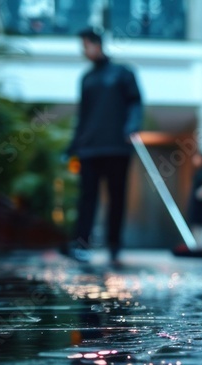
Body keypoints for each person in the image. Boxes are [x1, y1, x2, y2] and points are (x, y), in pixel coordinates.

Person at [67, 28, 143, 264]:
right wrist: (72, 146)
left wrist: (131, 126)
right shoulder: (86, 79)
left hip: (116, 147)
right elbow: (83, 115)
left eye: (85, 45)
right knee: (87, 197)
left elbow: (135, 102)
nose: (83, 51)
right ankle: (81, 245)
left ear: (97, 45)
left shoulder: (123, 73)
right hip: (90, 148)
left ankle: (114, 244)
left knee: (116, 197)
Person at [186, 152, 202, 242]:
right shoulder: (196, 171)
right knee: (194, 223)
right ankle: (194, 243)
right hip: (195, 202)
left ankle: (199, 244)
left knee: (199, 224)